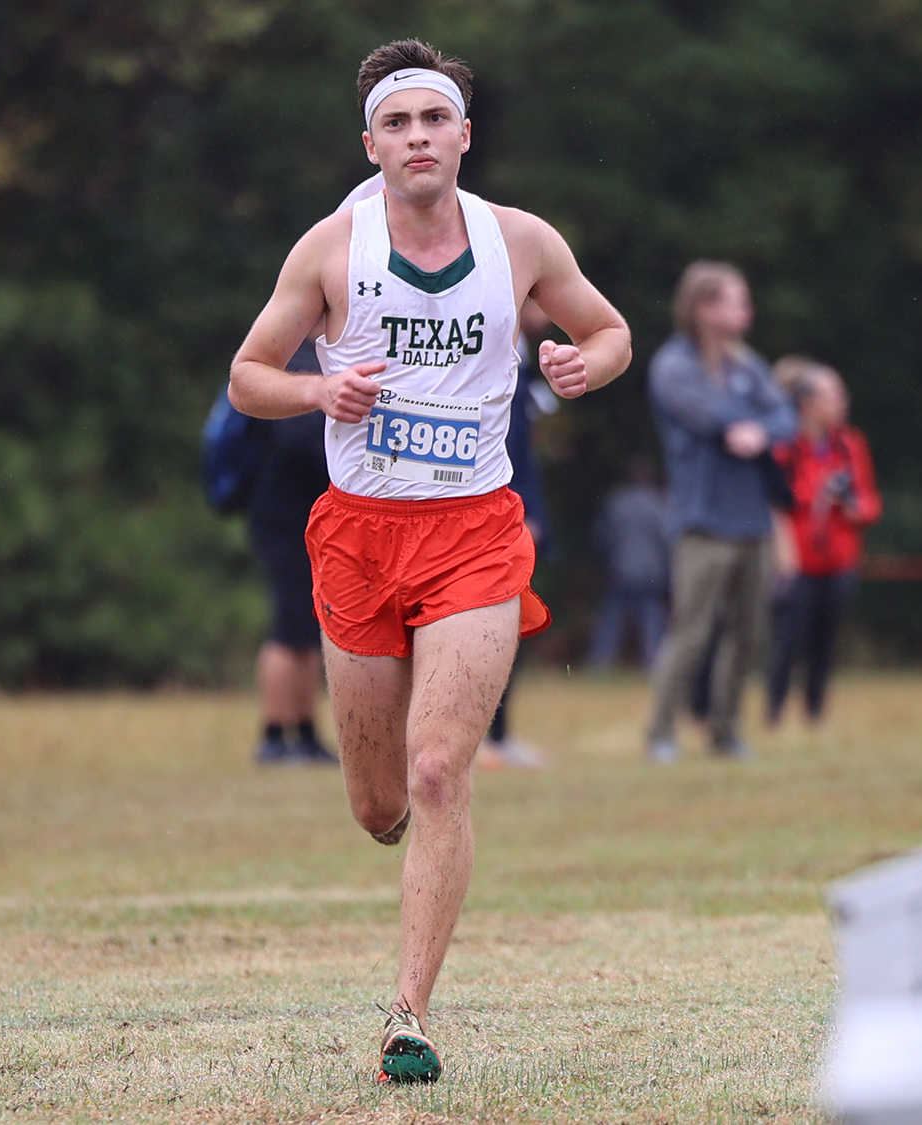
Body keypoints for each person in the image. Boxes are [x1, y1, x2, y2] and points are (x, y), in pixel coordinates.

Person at [226, 39, 631, 1083]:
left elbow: (612, 331)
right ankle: (401, 822)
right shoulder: (331, 248)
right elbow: (246, 377)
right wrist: (317, 391)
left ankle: (407, 1014)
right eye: (396, 124)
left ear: (463, 134)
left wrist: (582, 364)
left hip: (476, 532)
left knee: (440, 769)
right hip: (360, 535)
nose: (417, 138)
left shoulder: (520, 240)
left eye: (433, 119)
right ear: (370, 145)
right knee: (379, 805)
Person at [643, 261, 796, 763]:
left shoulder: (747, 364)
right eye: (737, 301)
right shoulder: (673, 365)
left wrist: (760, 430)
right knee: (691, 633)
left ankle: (725, 732)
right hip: (701, 523)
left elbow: (786, 417)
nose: (747, 310)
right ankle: (661, 734)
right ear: (704, 307)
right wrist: (753, 422)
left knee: (749, 634)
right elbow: (710, 416)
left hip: (753, 521)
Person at [765, 361, 879, 729]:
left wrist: (853, 507)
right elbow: (775, 502)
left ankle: (814, 715)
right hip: (796, 562)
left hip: (840, 561)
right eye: (834, 395)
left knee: (825, 644)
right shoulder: (783, 447)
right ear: (807, 403)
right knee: (786, 642)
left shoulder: (850, 445)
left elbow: (869, 502)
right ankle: (774, 714)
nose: (843, 402)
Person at [249, 343, 338, 766]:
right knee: (287, 627)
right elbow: (298, 442)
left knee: (309, 624)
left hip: (306, 518)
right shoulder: (298, 365)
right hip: (286, 519)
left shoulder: (314, 359)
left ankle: (304, 732)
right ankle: (273, 735)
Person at [478, 303, 557, 770]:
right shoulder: (489, 349)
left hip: (518, 508)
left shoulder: (528, 353)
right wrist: (519, 508)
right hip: (491, 509)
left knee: (509, 626)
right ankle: (483, 736)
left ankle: (498, 733)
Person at [588, 460, 671, 671]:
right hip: (650, 573)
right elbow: (668, 540)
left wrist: (607, 563)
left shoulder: (616, 502)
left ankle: (599, 665)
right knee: (652, 623)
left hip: (620, 571)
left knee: (611, 623)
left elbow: (602, 538)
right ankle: (654, 665)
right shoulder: (657, 504)